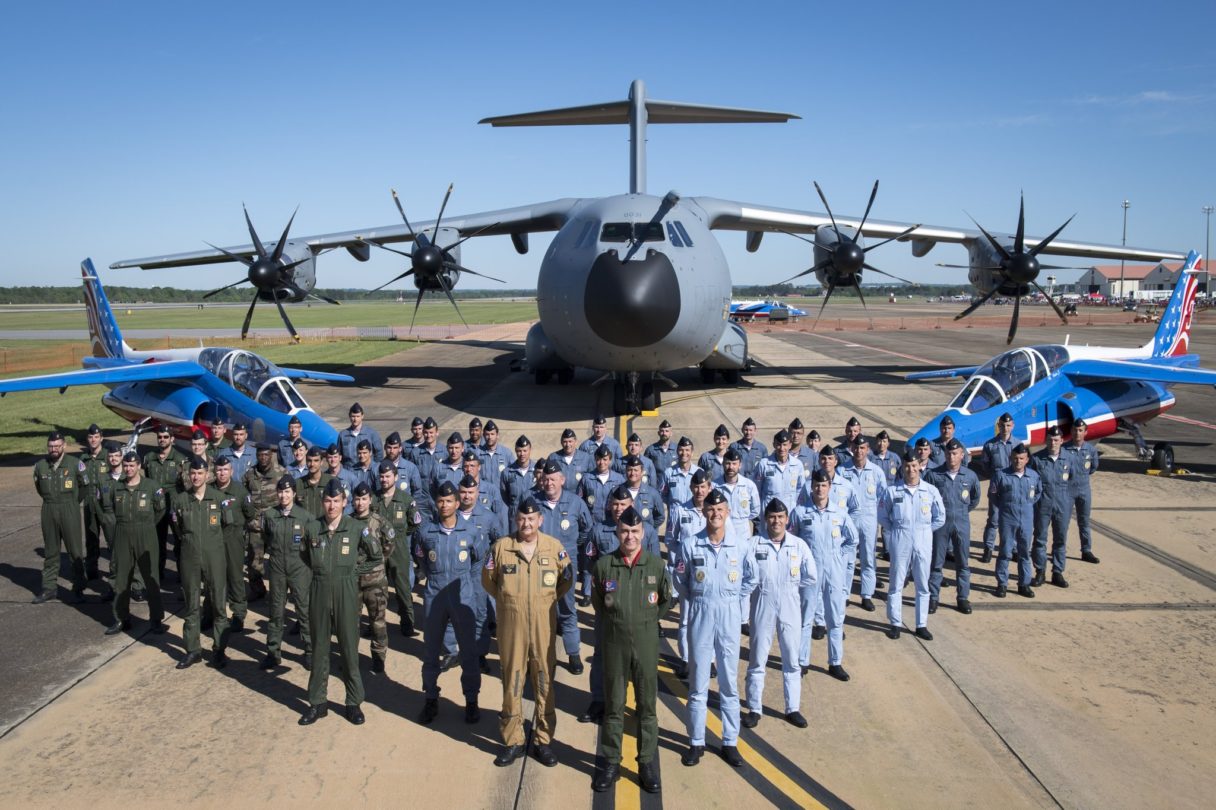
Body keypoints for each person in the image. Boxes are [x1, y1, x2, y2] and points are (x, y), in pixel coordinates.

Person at [482, 498, 573, 768]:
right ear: (515, 519)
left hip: (543, 627)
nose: (527, 524)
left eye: (532, 519)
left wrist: (545, 600)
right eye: (522, 519)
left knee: (544, 680)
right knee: (512, 681)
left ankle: (543, 741)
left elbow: (566, 579)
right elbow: (489, 581)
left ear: (540, 520)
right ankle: (514, 741)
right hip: (512, 627)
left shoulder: (553, 548)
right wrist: (512, 603)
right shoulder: (501, 548)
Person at [590, 506, 671, 794]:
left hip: (647, 645)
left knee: (647, 707)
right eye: (625, 531)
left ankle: (646, 762)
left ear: (644, 533)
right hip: (614, 644)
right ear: (617, 532)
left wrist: (645, 620)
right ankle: (611, 761)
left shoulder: (656, 566)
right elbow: (598, 603)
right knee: (613, 705)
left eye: (635, 531)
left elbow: (666, 600)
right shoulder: (604, 566)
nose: (630, 536)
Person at [675, 488, 746, 769]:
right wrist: (696, 597)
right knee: (698, 683)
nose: (715, 514)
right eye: (711, 510)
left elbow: (750, 578)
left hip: (729, 615)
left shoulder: (740, 546)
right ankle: (696, 741)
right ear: (704, 513)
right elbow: (680, 576)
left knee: (729, 683)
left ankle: (730, 741)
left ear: (727, 513)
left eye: (720, 510)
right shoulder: (691, 544)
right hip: (701, 613)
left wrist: (733, 599)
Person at [299, 479, 374, 726]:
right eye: (328, 501)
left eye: (336, 501)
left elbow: (376, 555)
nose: (332, 506)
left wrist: (353, 571)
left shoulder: (355, 528)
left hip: (346, 592)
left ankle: (353, 702)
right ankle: (317, 702)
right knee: (319, 647)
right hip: (319, 591)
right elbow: (305, 556)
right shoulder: (312, 528)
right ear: (323, 502)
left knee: (348, 649)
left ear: (344, 502)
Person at [415, 482, 486, 725]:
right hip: (435, 594)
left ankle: (471, 701)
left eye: (449, 501)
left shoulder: (471, 532)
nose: (444, 505)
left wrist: (468, 584)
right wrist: (433, 578)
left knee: (468, 651)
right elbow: (421, 556)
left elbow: (478, 560)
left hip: (462, 593)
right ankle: (430, 698)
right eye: (440, 501)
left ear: (458, 503)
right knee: (431, 650)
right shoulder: (426, 532)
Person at [742, 499, 816, 729]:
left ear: (787, 519)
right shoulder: (753, 544)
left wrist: (790, 587)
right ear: (766, 519)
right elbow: (744, 574)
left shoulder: (799, 545)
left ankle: (792, 707)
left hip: (789, 603)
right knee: (758, 657)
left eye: (780, 517)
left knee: (792, 658)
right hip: (763, 602)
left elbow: (811, 576)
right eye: (772, 517)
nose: (776, 521)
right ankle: (754, 708)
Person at [790, 470, 856, 680]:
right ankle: (802, 661)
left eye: (824, 485)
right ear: (812, 487)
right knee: (806, 617)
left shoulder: (840, 513)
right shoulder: (800, 512)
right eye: (817, 485)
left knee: (835, 617)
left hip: (833, 572)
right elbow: (792, 541)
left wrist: (839, 557)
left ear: (830, 488)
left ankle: (835, 662)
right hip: (809, 573)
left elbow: (852, 540)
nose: (820, 489)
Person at [170, 456, 233, 669]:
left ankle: (219, 650)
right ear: (189, 475)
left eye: (200, 473)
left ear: (207, 475)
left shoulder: (218, 499)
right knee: (191, 604)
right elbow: (178, 530)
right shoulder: (180, 500)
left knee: (218, 604)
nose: (196, 477)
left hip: (214, 557)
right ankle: (193, 650)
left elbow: (227, 527)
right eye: (193, 473)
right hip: (190, 558)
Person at [534, 460, 593, 672]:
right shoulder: (533, 502)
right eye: (546, 479)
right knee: (541, 611)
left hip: (566, 564)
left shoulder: (576, 503)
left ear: (562, 480)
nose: (549, 483)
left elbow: (587, 529)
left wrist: (571, 548)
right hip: (539, 565)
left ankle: (573, 653)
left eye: (553, 479)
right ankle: (541, 655)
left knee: (567, 609)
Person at [878, 458, 945, 640]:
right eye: (907, 466)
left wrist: (925, 531)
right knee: (896, 583)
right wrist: (895, 531)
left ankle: (921, 624)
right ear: (903, 468)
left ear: (919, 468)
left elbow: (940, 517)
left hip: (923, 538)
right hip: (901, 537)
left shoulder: (930, 491)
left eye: (914, 466)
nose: (911, 469)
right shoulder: (892, 491)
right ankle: (895, 623)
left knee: (923, 584)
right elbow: (882, 516)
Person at [103, 452, 168, 636]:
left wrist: (146, 525)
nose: (128, 469)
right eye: (126, 466)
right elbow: (111, 509)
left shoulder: (151, 486)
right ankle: (121, 618)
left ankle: (156, 619)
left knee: (151, 578)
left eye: (132, 465)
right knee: (121, 578)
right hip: (123, 533)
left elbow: (160, 509)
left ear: (139, 466)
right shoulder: (117, 488)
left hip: (146, 533)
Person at [262, 475, 314, 671]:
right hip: (277, 568)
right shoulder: (269, 515)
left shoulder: (305, 517)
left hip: (299, 568)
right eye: (281, 491)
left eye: (287, 492)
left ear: (294, 493)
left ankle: (310, 651)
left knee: (304, 610)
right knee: (276, 611)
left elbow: (310, 545)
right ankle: (273, 652)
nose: (283, 495)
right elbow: (267, 537)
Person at [924, 439, 982, 615]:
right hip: (941, 524)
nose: (951, 457)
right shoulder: (934, 475)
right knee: (936, 562)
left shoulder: (970, 476)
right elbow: (925, 497)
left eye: (955, 453)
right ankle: (933, 597)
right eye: (949, 453)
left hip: (962, 522)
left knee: (963, 563)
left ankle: (962, 597)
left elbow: (974, 499)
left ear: (962, 455)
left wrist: (962, 511)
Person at [33, 431, 89, 603]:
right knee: (51, 551)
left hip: (69, 508)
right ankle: (49, 588)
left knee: (75, 551)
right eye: (51, 446)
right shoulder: (40, 466)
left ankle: (79, 588)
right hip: (49, 508)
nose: (54, 449)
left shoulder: (75, 464)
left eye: (57, 446)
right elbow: (39, 488)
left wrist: (72, 502)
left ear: (64, 445)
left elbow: (84, 487)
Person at [372, 461, 423, 637]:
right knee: (376, 590)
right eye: (382, 476)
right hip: (377, 551)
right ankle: (375, 625)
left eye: (387, 476)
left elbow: (415, 523)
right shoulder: (373, 499)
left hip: (399, 550)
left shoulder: (406, 500)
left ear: (395, 476)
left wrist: (399, 536)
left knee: (402, 588)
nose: (384, 479)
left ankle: (407, 623)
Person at [350, 482, 393, 675]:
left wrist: (374, 565)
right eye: (357, 499)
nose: (360, 503)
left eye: (364, 499)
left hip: (375, 583)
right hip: (352, 583)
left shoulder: (380, 522)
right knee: (351, 623)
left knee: (378, 622)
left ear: (370, 500)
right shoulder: (346, 522)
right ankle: (351, 658)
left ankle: (378, 657)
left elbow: (389, 546)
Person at [990, 444, 1041, 599]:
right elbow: (993, 495)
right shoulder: (1001, 475)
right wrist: (1006, 508)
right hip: (1007, 519)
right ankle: (1002, 584)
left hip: (1026, 519)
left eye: (1021, 458)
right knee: (1005, 552)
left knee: (1024, 553)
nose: (1018, 461)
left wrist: (1026, 506)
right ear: (1011, 458)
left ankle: (1024, 584)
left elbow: (1037, 494)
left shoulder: (1033, 476)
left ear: (1027, 460)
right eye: (1015, 458)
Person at [842, 436, 886, 613]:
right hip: (850, 522)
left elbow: (883, 499)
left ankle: (866, 595)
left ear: (867, 449)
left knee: (868, 559)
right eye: (856, 447)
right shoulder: (842, 470)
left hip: (869, 521)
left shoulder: (876, 472)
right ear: (851, 448)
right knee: (848, 560)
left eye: (863, 448)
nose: (859, 451)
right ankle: (844, 594)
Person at [211, 456, 253, 632]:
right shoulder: (209, 490)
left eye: (225, 470)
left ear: (231, 471)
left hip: (233, 539)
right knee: (214, 578)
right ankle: (213, 612)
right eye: (219, 470)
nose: (222, 473)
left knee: (235, 577)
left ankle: (238, 613)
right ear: (215, 471)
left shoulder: (240, 491)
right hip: (213, 539)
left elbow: (250, 513)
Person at [1031, 426, 1074, 588]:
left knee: (1060, 539)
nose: (1053, 443)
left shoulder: (1069, 459)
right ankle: (1040, 571)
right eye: (1050, 440)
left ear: (1062, 441)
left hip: (1062, 505)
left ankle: (1058, 572)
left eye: (1056, 440)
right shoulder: (1037, 459)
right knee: (1040, 539)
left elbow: (1073, 480)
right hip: (1043, 505)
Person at [142, 424, 186, 584]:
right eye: (159, 437)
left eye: (165, 437)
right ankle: (157, 574)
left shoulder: (180, 460)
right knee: (156, 543)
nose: (162, 440)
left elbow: (184, 486)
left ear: (172, 439)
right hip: (156, 508)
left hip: (174, 507)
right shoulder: (149, 458)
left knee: (179, 542)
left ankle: (183, 575)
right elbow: (147, 481)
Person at [242, 444, 283, 601]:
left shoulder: (280, 473)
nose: (264, 458)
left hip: (275, 525)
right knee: (254, 560)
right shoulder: (250, 475)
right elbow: (243, 498)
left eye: (266, 454)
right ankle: (257, 590)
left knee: (278, 561)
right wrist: (249, 518)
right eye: (261, 455)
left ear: (271, 455)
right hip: (256, 526)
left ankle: (278, 593)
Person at [980, 413, 1017, 564]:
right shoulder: (990, 445)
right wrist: (995, 477)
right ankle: (988, 549)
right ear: (998, 426)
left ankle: (1013, 549)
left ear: (1012, 426)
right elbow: (984, 465)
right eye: (1002, 425)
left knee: (1012, 519)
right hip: (996, 486)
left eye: (1008, 425)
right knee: (993, 519)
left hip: (1013, 487)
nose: (1005, 428)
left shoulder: (1017, 445)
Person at [1067, 419, 1101, 564]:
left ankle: (1086, 550)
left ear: (1085, 432)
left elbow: (1093, 468)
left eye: (1080, 430)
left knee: (1084, 521)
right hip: (1067, 490)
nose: (1077, 433)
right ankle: (1059, 549)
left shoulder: (1091, 450)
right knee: (1062, 523)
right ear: (1071, 431)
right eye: (1075, 430)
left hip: (1083, 489)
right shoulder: (1064, 449)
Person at [80, 424, 109, 582]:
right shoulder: (83, 459)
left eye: (96, 437)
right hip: (89, 504)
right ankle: (91, 569)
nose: (93, 440)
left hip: (106, 506)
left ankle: (116, 572)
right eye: (90, 437)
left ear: (101, 438)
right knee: (91, 538)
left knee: (112, 539)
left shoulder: (108, 457)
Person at [755, 430, 805, 512]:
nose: (782, 448)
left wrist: (797, 507)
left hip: (790, 512)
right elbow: (757, 489)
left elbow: (800, 489)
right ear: (774, 445)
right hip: (769, 513)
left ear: (790, 445)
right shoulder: (764, 464)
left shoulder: (797, 465)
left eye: (785, 445)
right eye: (778, 445)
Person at [621, 454, 665, 533]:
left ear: (642, 472)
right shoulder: (618, 491)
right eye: (629, 470)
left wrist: (648, 530)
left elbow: (660, 516)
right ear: (626, 471)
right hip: (625, 536)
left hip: (645, 537)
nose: (632, 473)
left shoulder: (652, 493)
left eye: (636, 470)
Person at [337, 402, 383, 468]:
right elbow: (339, 455)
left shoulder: (371, 433)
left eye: (358, 416)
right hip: (349, 471)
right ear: (349, 416)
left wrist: (374, 469)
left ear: (362, 416)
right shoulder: (343, 435)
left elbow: (379, 454)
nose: (355, 419)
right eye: (353, 416)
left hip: (366, 471)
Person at [501, 435, 536, 520]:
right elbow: (504, 495)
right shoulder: (507, 472)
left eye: (525, 450)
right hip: (515, 515)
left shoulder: (537, 470)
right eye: (519, 451)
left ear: (530, 450)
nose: (522, 454)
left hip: (534, 514)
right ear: (516, 451)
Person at [549, 428, 592, 494]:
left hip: (579, 497)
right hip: (559, 497)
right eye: (565, 442)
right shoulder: (553, 457)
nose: (567, 445)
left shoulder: (585, 458)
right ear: (561, 442)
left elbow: (592, 478)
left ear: (575, 442)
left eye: (570, 441)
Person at [662, 436, 697, 508]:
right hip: (675, 517)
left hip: (693, 514)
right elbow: (663, 496)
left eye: (687, 450)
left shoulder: (698, 472)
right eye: (681, 450)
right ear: (677, 452)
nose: (684, 453)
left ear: (692, 452)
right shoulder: (669, 473)